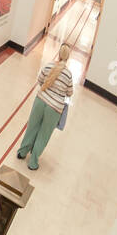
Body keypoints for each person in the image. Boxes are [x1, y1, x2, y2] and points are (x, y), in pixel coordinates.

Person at [16, 43, 73, 171]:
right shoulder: (68, 75)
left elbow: (40, 80)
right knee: (44, 134)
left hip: (40, 101)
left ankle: (22, 152)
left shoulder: (49, 65)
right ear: (68, 57)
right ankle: (33, 162)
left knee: (32, 126)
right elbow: (69, 93)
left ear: (58, 54)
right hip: (54, 109)